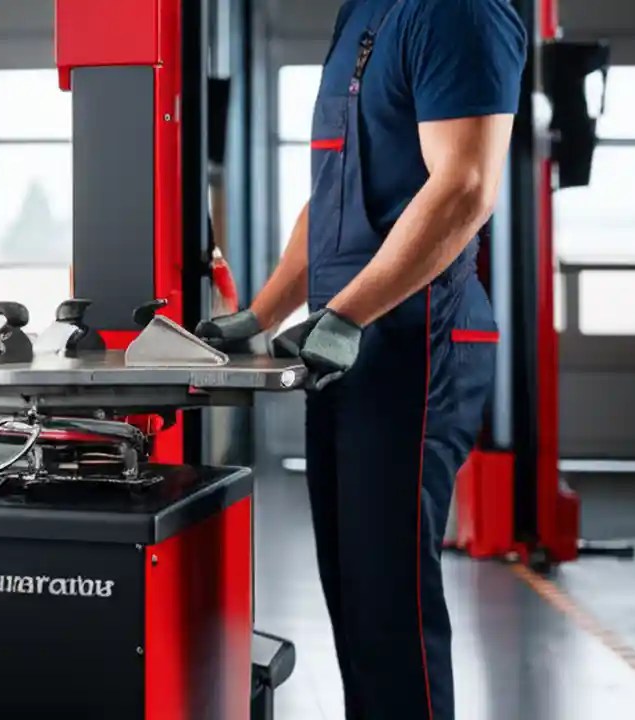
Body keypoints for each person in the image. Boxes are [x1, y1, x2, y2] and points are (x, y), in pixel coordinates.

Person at [198, 0, 526, 718]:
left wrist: (348, 313)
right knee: (353, 596)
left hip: (417, 338)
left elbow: (465, 185)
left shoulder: (460, 12)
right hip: (343, 345)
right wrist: (263, 314)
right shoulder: (362, 13)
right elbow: (332, 197)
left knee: (389, 607)